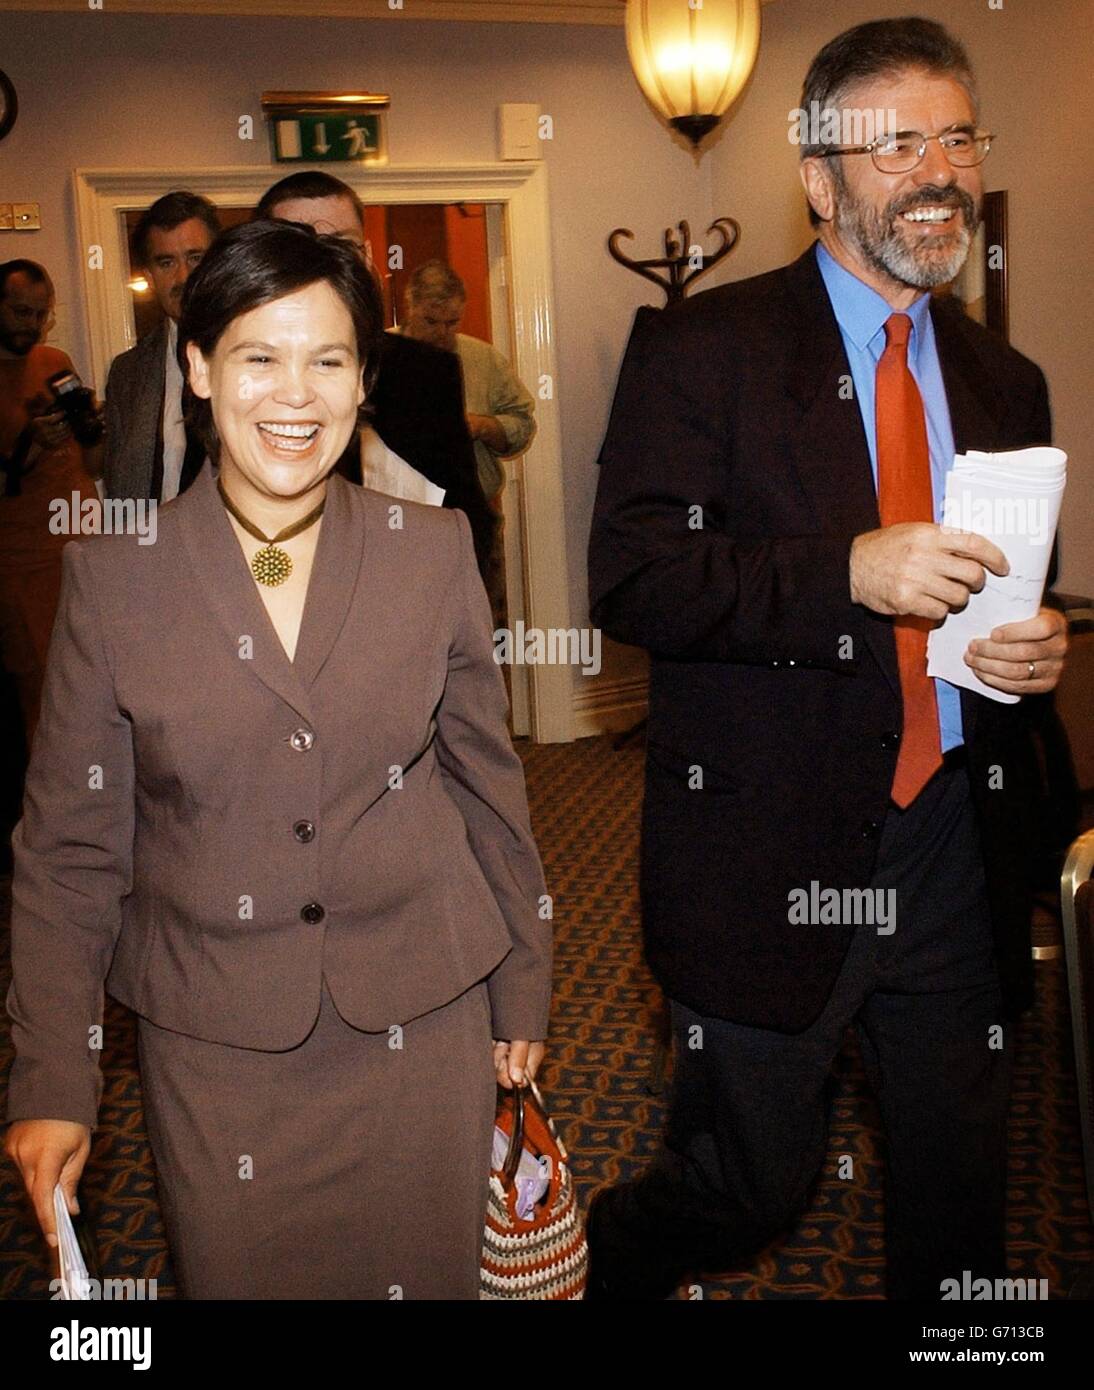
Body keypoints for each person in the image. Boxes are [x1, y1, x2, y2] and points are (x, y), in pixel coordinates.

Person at [586, 17, 1068, 1301]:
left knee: (960, 1204)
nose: (938, 170)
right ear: (816, 179)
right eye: (894, 140)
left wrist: (1031, 648)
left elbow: (995, 593)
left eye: (956, 136)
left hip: (953, 851)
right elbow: (633, 575)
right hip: (764, 855)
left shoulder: (1004, 378)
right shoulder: (702, 351)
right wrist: (841, 572)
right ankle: (606, 1265)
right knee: (745, 1184)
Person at [4, 219, 553, 1299]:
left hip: (420, 1018)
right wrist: (51, 1076)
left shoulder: (429, 552)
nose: (294, 395)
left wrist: (520, 992)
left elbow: (489, 789)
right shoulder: (118, 581)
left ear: (363, 381)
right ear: (201, 368)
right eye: (259, 355)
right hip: (220, 1047)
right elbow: (70, 852)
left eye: (329, 359)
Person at [254, 172, 497, 583]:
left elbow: (467, 517)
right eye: (300, 246)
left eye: (341, 245)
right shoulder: (243, 378)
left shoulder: (426, 373)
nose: (324, 264)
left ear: (366, 255)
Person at [398, 259, 537, 621]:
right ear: (409, 307)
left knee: (478, 629)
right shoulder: (380, 358)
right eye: (431, 321)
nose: (442, 333)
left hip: (473, 519)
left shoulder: (483, 359)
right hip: (397, 524)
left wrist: (481, 426)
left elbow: (522, 422)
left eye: (452, 322)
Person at [0, 259, 101, 754]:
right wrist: (31, 445)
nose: (33, 325)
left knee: (96, 682)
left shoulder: (54, 359)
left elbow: (95, 460)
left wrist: (93, 425)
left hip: (85, 548)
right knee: (42, 698)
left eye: (41, 314)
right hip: (23, 568)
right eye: (21, 312)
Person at [101, 191, 221, 504]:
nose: (183, 276)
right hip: (148, 544)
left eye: (195, 258)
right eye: (166, 262)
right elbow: (119, 481)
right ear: (149, 276)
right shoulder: (127, 372)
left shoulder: (257, 357)